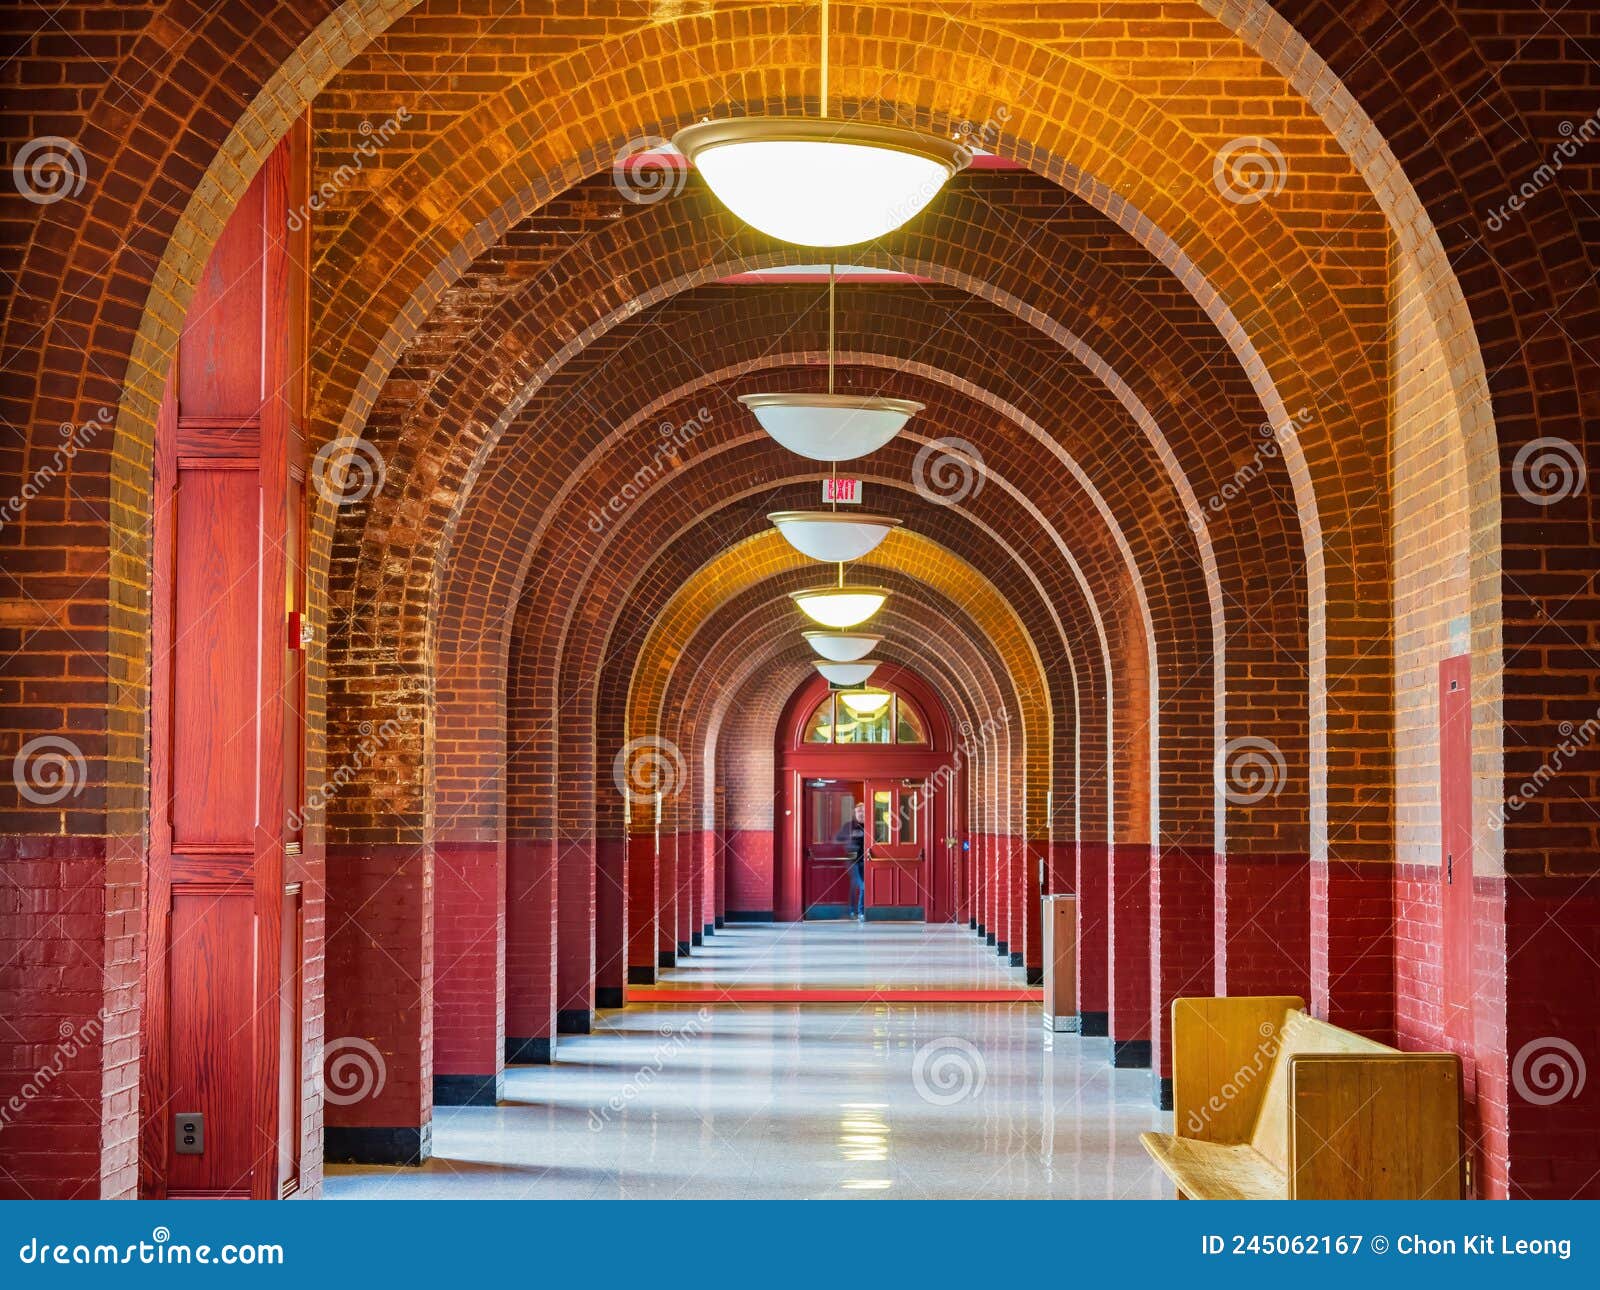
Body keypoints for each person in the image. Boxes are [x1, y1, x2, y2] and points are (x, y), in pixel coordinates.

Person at [834, 801, 867, 921]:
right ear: (855, 813)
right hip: (853, 860)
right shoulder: (849, 826)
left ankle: (856, 911)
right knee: (860, 886)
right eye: (859, 811)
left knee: (859, 885)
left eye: (863, 811)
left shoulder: (870, 825)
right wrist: (849, 845)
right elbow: (838, 838)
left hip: (868, 859)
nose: (861, 814)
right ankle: (859, 912)